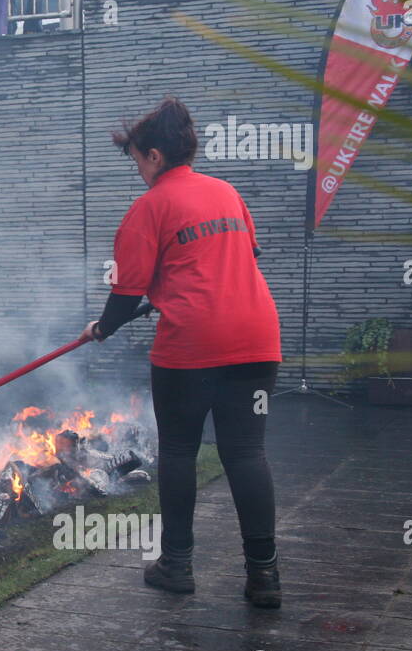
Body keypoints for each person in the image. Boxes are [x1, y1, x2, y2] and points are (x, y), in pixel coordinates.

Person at [80, 98, 284, 609]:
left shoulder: (149, 207)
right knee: (245, 453)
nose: (139, 171)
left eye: (136, 160)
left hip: (192, 346)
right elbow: (231, 260)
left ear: (153, 155)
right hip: (258, 340)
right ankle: (264, 577)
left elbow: (127, 293)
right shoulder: (227, 193)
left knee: (177, 451)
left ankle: (176, 565)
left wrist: (103, 328)